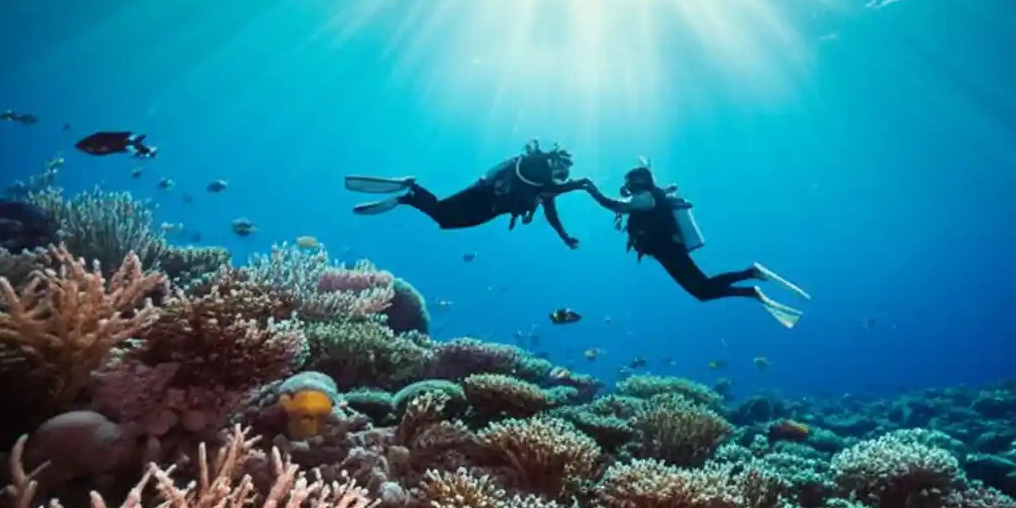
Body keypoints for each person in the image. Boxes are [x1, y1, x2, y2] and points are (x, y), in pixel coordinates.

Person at [582, 161, 809, 327]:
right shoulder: (653, 195)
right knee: (702, 291)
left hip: (668, 250)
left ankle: (751, 275)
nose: (627, 187)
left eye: (629, 183)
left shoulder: (645, 198)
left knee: (702, 288)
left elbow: (614, 205)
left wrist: (592, 190)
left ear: (636, 183)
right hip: (667, 250)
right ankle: (750, 289)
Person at [346, 140, 586, 249]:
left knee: (444, 219)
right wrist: (576, 185)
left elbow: (552, 215)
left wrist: (564, 237)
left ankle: (407, 196)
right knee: (441, 213)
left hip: (490, 209)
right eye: (561, 169)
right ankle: (410, 189)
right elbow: (543, 188)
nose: (562, 175)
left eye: (565, 173)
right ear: (553, 161)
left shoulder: (544, 187)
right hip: (482, 196)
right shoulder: (536, 169)